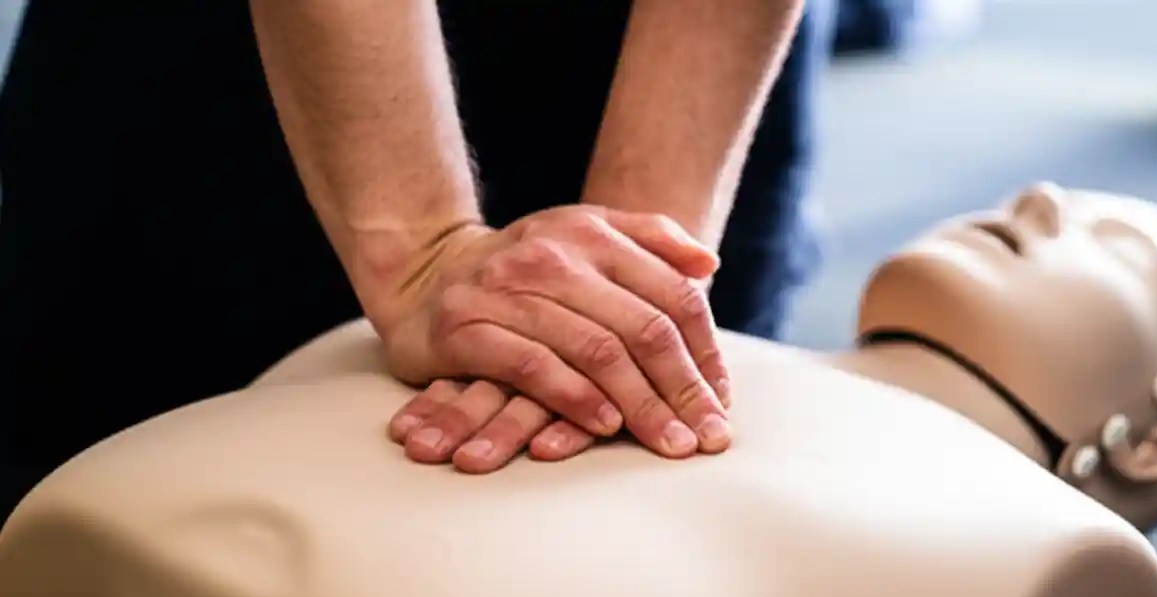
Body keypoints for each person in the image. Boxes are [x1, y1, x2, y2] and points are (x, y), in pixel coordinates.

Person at [0, 0, 836, 522]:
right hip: (245, 60)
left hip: (688, 59)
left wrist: (628, 266)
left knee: (647, 534)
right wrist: (417, 248)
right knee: (128, 545)